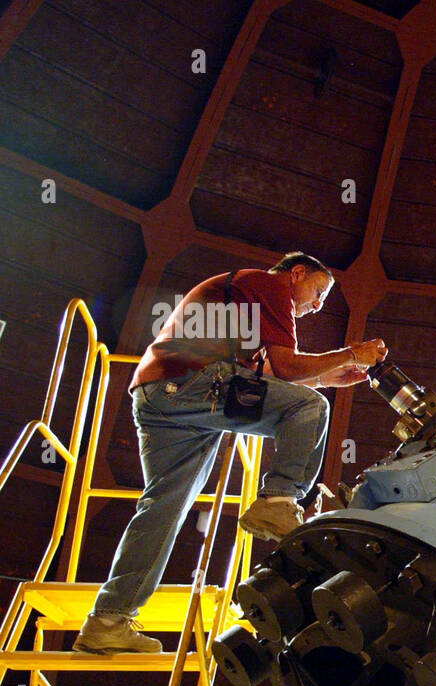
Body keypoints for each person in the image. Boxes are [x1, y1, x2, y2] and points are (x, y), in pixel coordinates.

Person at [72, 252, 387, 654]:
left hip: (161, 398)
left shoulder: (243, 304)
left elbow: (270, 380)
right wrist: (350, 354)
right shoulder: (270, 286)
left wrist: (327, 377)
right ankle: (278, 499)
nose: (319, 305)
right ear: (297, 273)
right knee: (311, 407)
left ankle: (107, 620)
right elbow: (286, 371)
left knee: (163, 509)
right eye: (319, 291)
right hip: (189, 383)